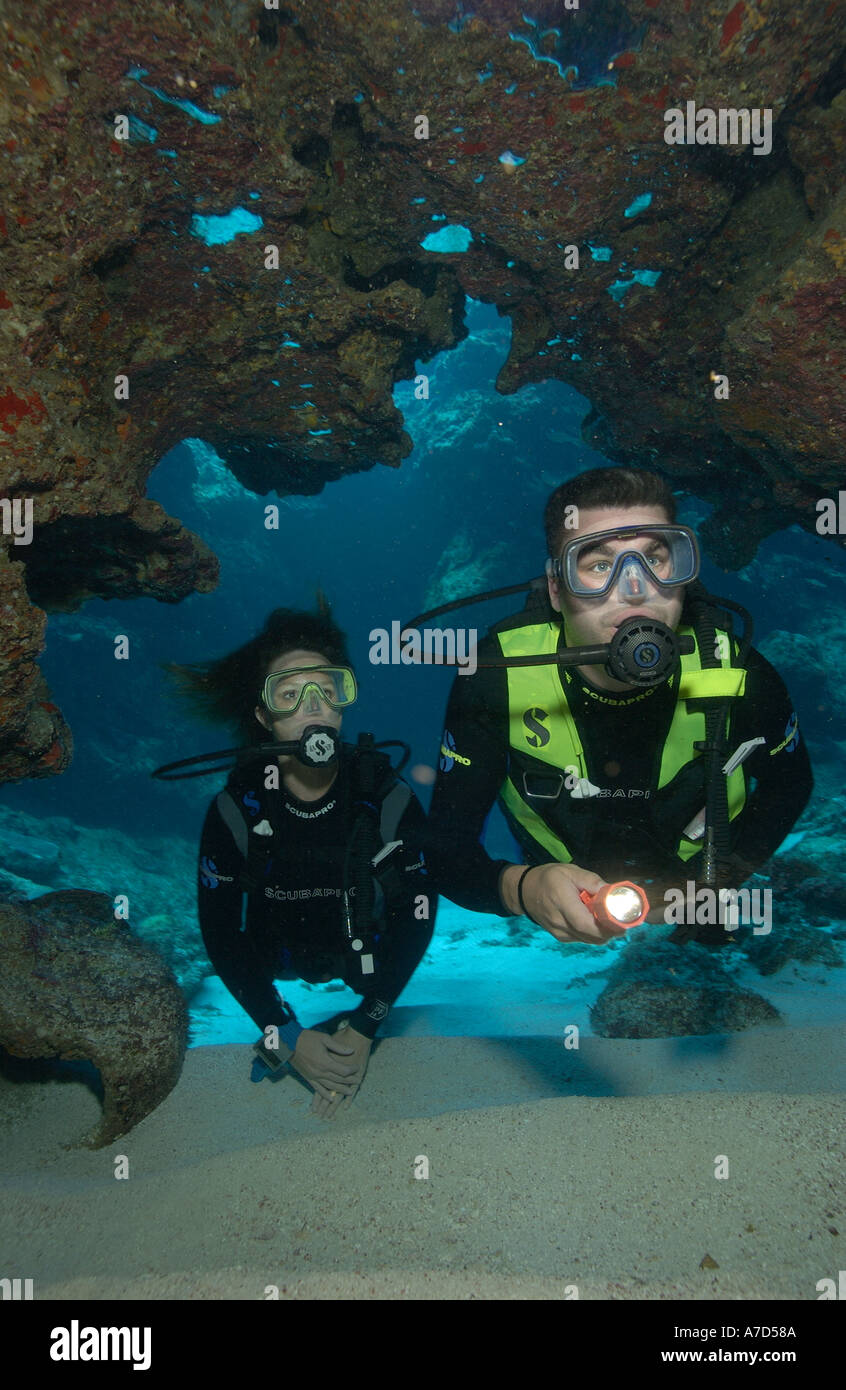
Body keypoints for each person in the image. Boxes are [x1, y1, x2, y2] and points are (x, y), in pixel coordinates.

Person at [426, 467, 813, 947]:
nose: (636, 588)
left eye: (656, 558)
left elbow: (791, 783)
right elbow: (445, 848)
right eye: (598, 564)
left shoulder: (735, 669)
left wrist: (723, 877)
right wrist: (522, 887)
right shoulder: (492, 677)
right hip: (563, 877)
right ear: (555, 588)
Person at [164, 603, 435, 1119]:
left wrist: (365, 1024)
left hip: (364, 960)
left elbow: (418, 915)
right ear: (264, 716)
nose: (313, 707)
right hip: (276, 960)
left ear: (343, 703)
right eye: (289, 694)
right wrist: (281, 1029)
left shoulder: (388, 798)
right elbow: (220, 932)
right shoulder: (234, 810)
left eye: (327, 690)